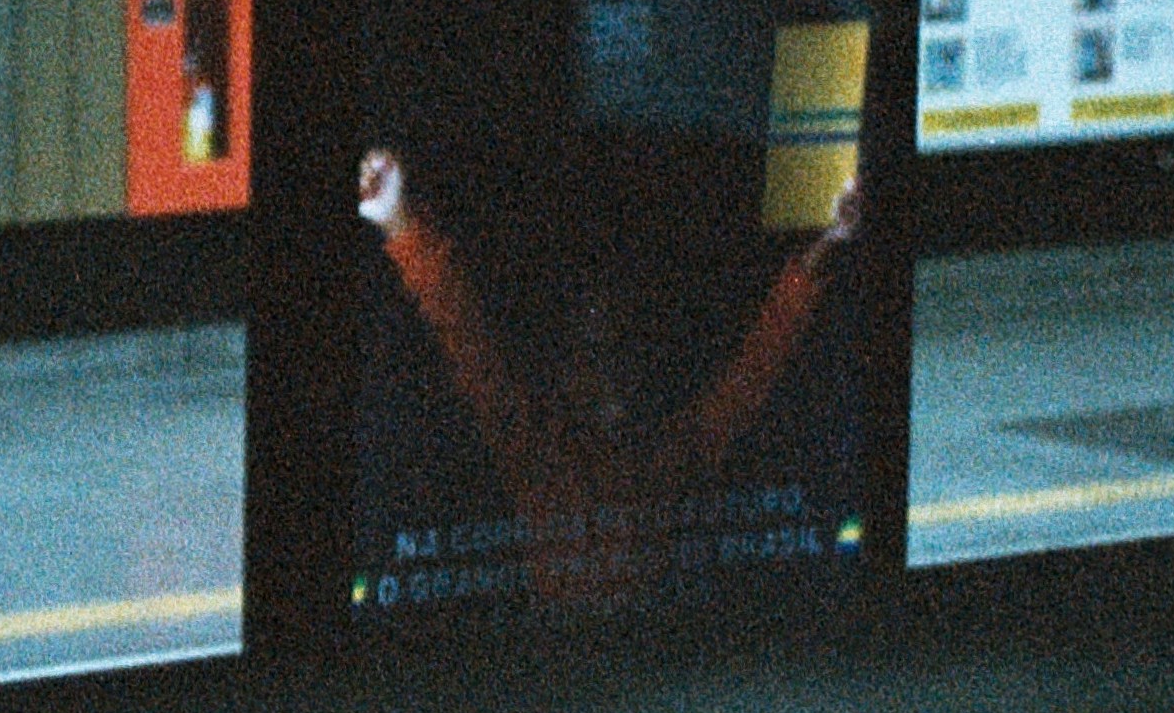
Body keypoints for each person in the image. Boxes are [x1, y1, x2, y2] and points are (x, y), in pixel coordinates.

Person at [356, 138, 859, 610]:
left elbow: (757, 366)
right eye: (594, 352)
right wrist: (396, 218)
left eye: (620, 346)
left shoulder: (671, 456)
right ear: (568, 366)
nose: (611, 370)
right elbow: (461, 331)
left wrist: (830, 241)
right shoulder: (533, 451)